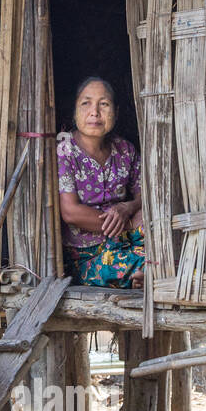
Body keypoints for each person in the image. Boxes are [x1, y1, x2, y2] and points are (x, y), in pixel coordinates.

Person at [57, 76, 145, 289]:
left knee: (156, 221)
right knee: (149, 265)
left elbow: (145, 195)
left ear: (116, 111)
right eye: (86, 103)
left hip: (127, 241)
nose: (94, 112)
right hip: (88, 254)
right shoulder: (65, 149)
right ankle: (138, 274)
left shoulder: (125, 149)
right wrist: (128, 223)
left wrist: (128, 207)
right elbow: (70, 212)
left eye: (104, 104)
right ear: (75, 110)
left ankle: (138, 274)